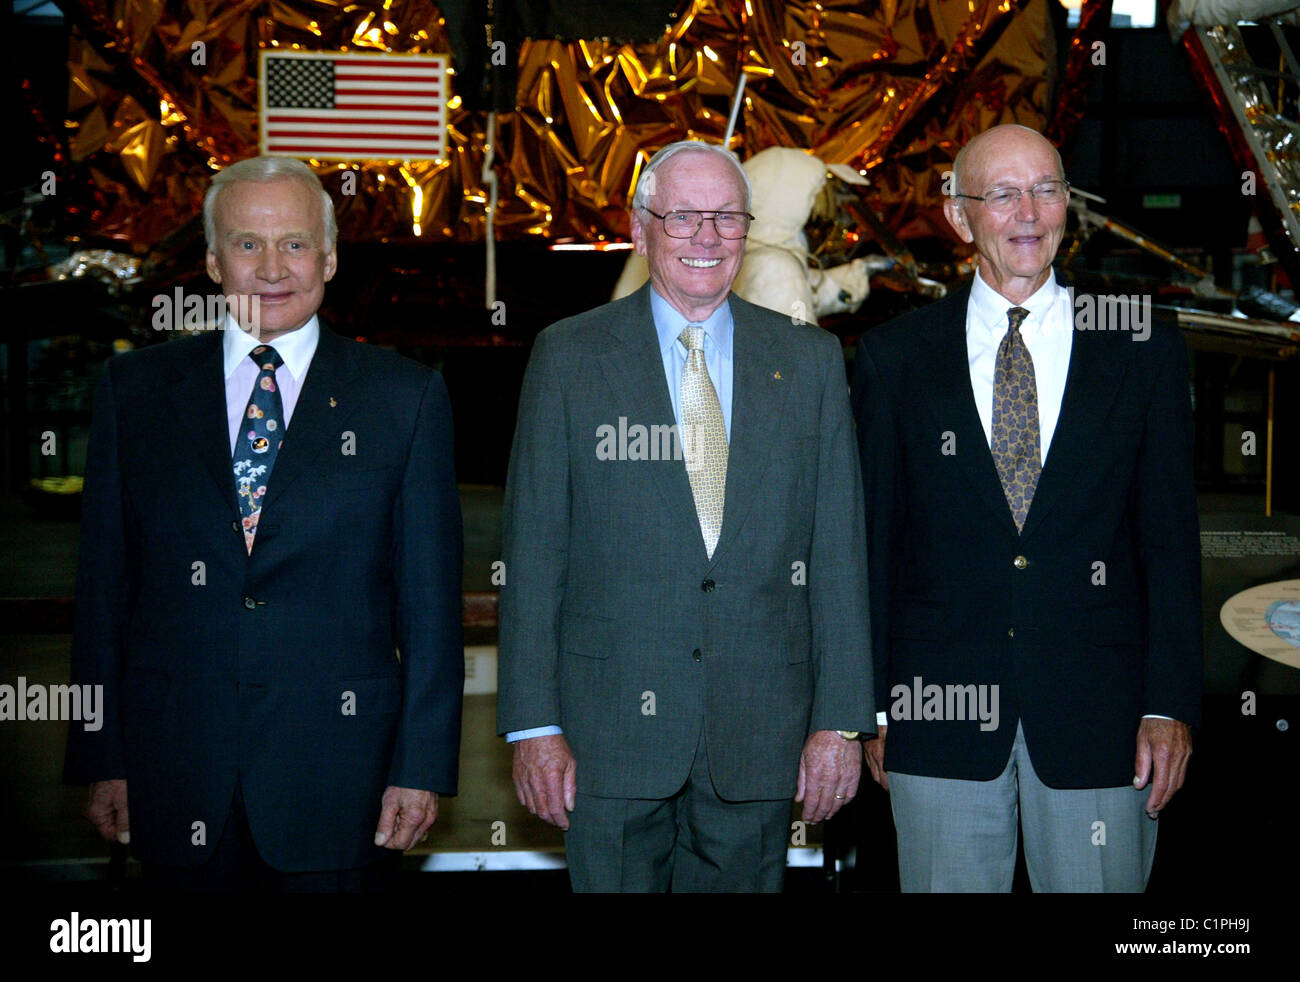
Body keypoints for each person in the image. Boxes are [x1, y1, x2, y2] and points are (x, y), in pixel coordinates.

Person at [63, 156, 464, 891]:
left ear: (331, 257)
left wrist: (422, 767)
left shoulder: (403, 399)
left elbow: (431, 609)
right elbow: (103, 591)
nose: (272, 267)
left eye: (296, 243)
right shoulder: (137, 393)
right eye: (248, 244)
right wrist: (101, 755)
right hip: (173, 773)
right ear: (213, 261)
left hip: (344, 781)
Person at [498, 140, 874, 892]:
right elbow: (534, 555)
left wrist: (839, 723)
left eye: (727, 218)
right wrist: (535, 727)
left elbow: (838, 555)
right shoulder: (569, 358)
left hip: (758, 736)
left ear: (749, 229)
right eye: (683, 218)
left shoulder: (809, 364)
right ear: (640, 231)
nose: (707, 237)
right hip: (605, 741)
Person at [852, 124, 1201, 892]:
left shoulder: (1143, 345)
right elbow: (874, 545)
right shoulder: (894, 358)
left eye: (1047, 190)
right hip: (935, 716)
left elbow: (1171, 542)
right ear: (958, 215)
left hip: (1105, 726)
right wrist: (867, 706)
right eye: (1003, 194)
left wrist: (1170, 704)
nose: (1029, 213)